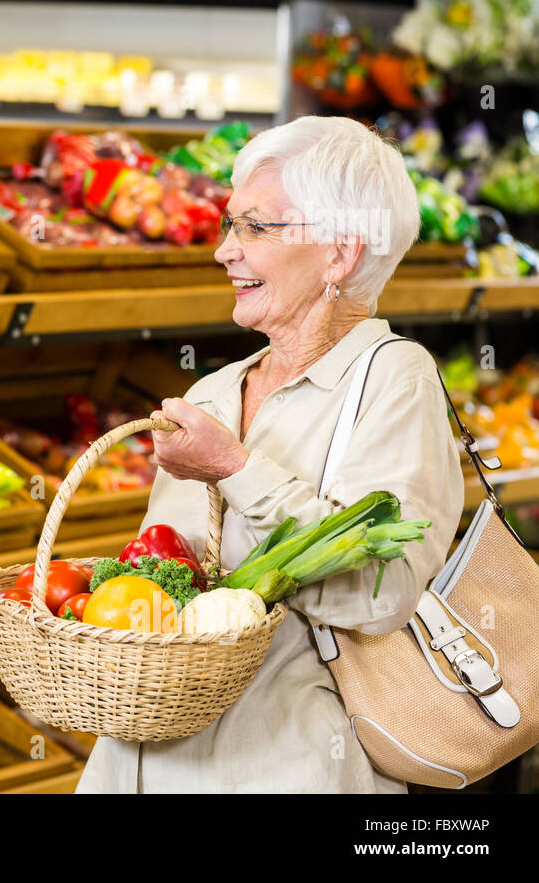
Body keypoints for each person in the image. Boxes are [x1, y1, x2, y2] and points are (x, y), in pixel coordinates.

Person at [76, 116, 463, 793]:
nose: (224, 251)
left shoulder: (396, 379)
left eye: (254, 227)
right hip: (132, 768)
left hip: (279, 771)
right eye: (230, 226)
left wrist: (236, 468)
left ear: (340, 252)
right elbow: (168, 586)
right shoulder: (214, 391)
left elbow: (387, 591)